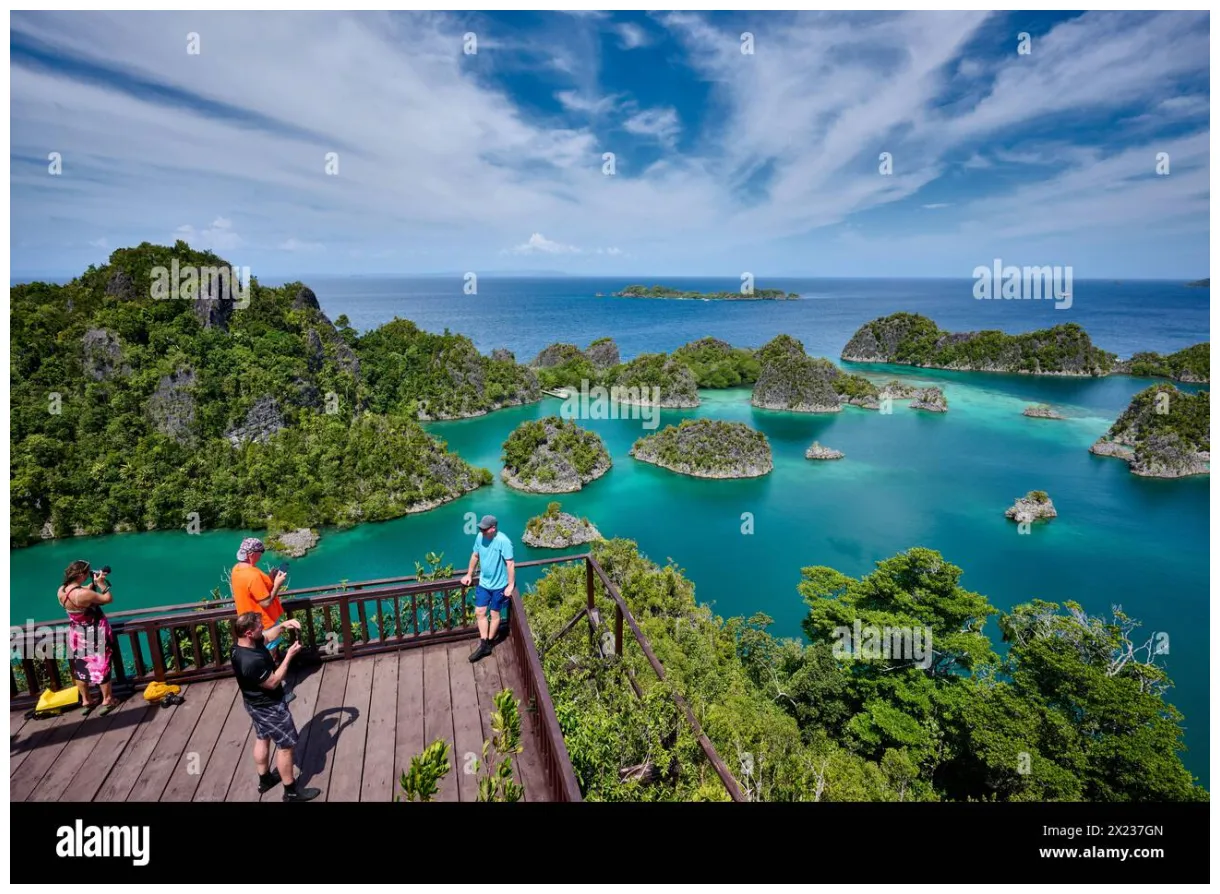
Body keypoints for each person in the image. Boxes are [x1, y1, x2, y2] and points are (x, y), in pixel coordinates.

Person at [231, 611, 319, 802]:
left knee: (262, 737)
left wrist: (283, 625)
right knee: (286, 746)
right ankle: (291, 792)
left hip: (253, 703)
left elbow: (268, 636)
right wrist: (289, 656)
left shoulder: (241, 646)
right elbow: (273, 682)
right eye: (258, 626)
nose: (262, 627)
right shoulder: (251, 661)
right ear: (248, 632)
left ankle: (265, 779)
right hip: (270, 707)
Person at [231, 537, 297, 701]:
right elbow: (266, 602)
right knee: (269, 656)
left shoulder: (238, 570)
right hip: (263, 623)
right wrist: (278, 584)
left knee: (261, 654)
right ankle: (277, 691)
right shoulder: (252, 575)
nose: (261, 555)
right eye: (260, 552)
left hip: (249, 621)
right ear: (252, 554)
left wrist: (270, 577)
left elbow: (256, 589)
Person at [56, 560, 119, 715]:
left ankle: (86, 700)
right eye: (87, 572)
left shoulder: (62, 590)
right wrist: (103, 584)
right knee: (101, 665)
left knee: (81, 668)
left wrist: (93, 582)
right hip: (95, 634)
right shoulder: (84, 594)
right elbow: (107, 599)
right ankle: (108, 700)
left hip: (78, 634)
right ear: (81, 574)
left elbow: (81, 593)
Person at [460, 515, 515, 663]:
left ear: (493, 528)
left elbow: (510, 564)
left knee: (494, 613)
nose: (480, 530)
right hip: (484, 583)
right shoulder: (479, 537)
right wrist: (469, 574)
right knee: (480, 612)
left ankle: (488, 643)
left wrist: (510, 585)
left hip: (499, 585)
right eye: (480, 528)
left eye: (484, 528)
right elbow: (475, 555)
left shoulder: (503, 541)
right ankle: (484, 643)